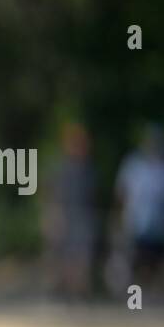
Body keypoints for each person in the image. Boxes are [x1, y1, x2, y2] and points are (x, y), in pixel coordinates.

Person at [112, 125, 164, 300]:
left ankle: (153, 297)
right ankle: (134, 300)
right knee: (136, 263)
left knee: (156, 264)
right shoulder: (133, 165)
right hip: (136, 224)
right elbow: (122, 193)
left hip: (158, 227)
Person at [42, 121, 97, 300]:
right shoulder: (60, 168)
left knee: (82, 261)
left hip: (83, 220)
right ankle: (62, 295)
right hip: (64, 219)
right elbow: (51, 195)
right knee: (62, 262)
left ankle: (79, 297)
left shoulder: (89, 170)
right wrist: (51, 218)